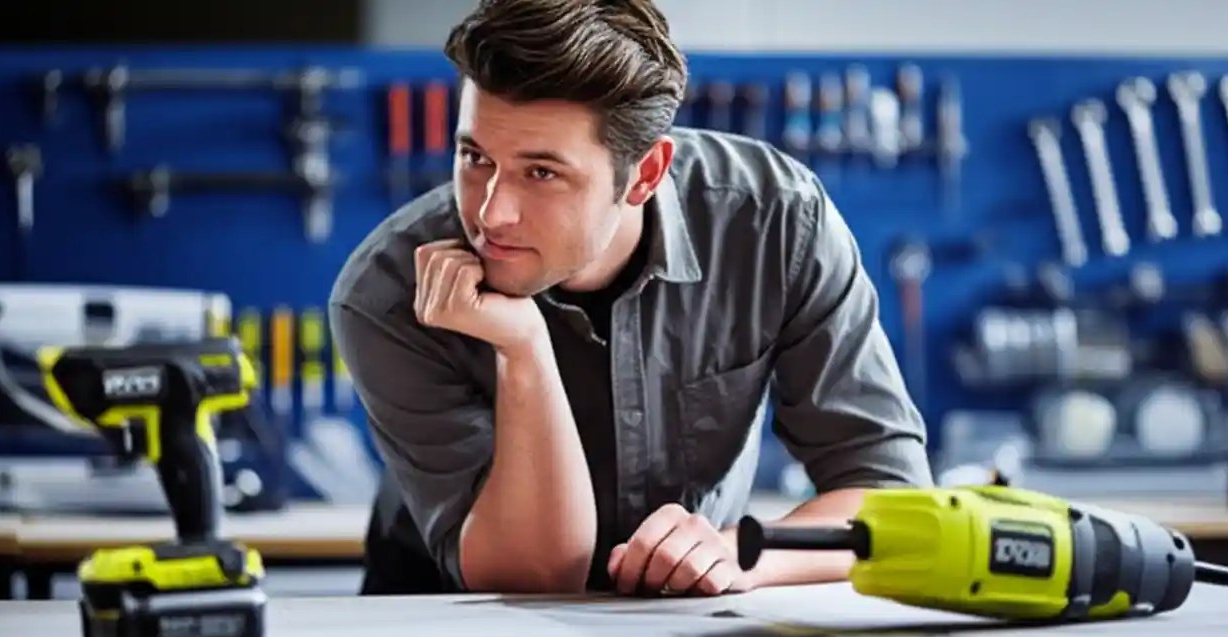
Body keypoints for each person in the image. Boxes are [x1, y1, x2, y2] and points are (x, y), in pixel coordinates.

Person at [328, 0, 932, 597]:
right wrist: (525, 349)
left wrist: (741, 555)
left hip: (685, 626)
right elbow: (536, 579)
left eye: (541, 173)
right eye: (475, 158)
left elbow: (890, 494)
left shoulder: (777, 224)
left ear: (644, 174)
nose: (491, 213)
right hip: (443, 630)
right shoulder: (387, 294)